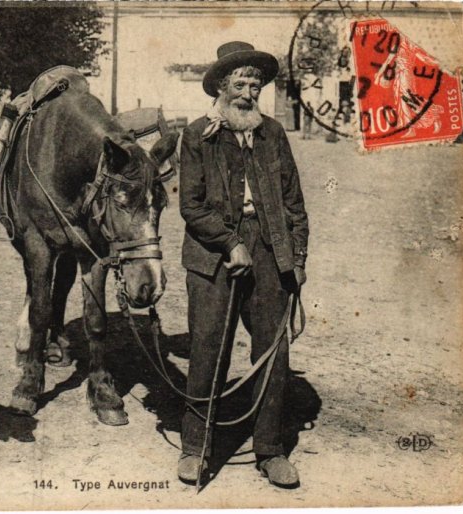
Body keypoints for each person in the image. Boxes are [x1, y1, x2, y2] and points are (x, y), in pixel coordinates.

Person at [178, 41, 309, 488]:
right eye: (240, 82)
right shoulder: (197, 135)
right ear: (220, 86)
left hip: (272, 254)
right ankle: (195, 448)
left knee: (273, 354)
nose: (248, 90)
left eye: (255, 83)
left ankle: (270, 450)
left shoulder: (273, 133)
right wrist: (231, 243)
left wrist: (298, 259)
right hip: (212, 256)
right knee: (208, 349)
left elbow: (294, 202)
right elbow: (191, 207)